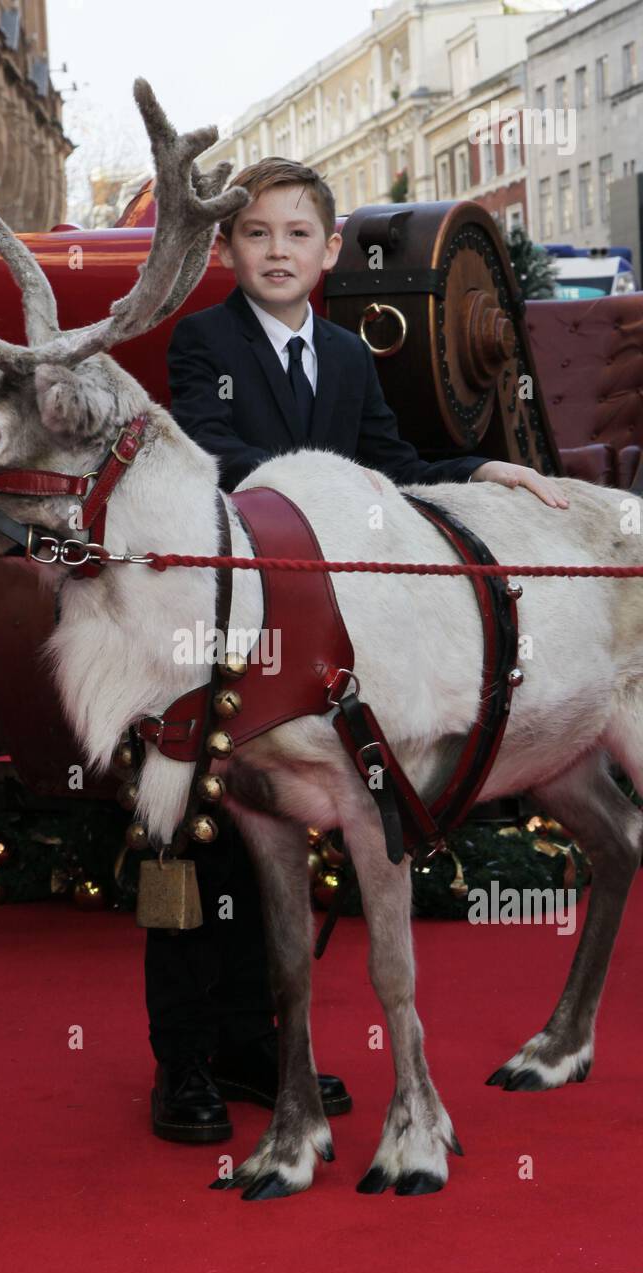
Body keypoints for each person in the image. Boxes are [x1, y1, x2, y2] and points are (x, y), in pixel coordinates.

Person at [148, 157, 570, 1145]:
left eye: (299, 235)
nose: (278, 252)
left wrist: (483, 470)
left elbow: (395, 466)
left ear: (330, 250)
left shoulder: (343, 355)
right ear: (228, 249)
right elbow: (214, 461)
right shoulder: (201, 341)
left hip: (324, 631)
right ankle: (182, 1063)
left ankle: (257, 1044)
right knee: (208, 840)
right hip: (228, 619)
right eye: (257, 234)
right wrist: (329, 500)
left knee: (289, 846)